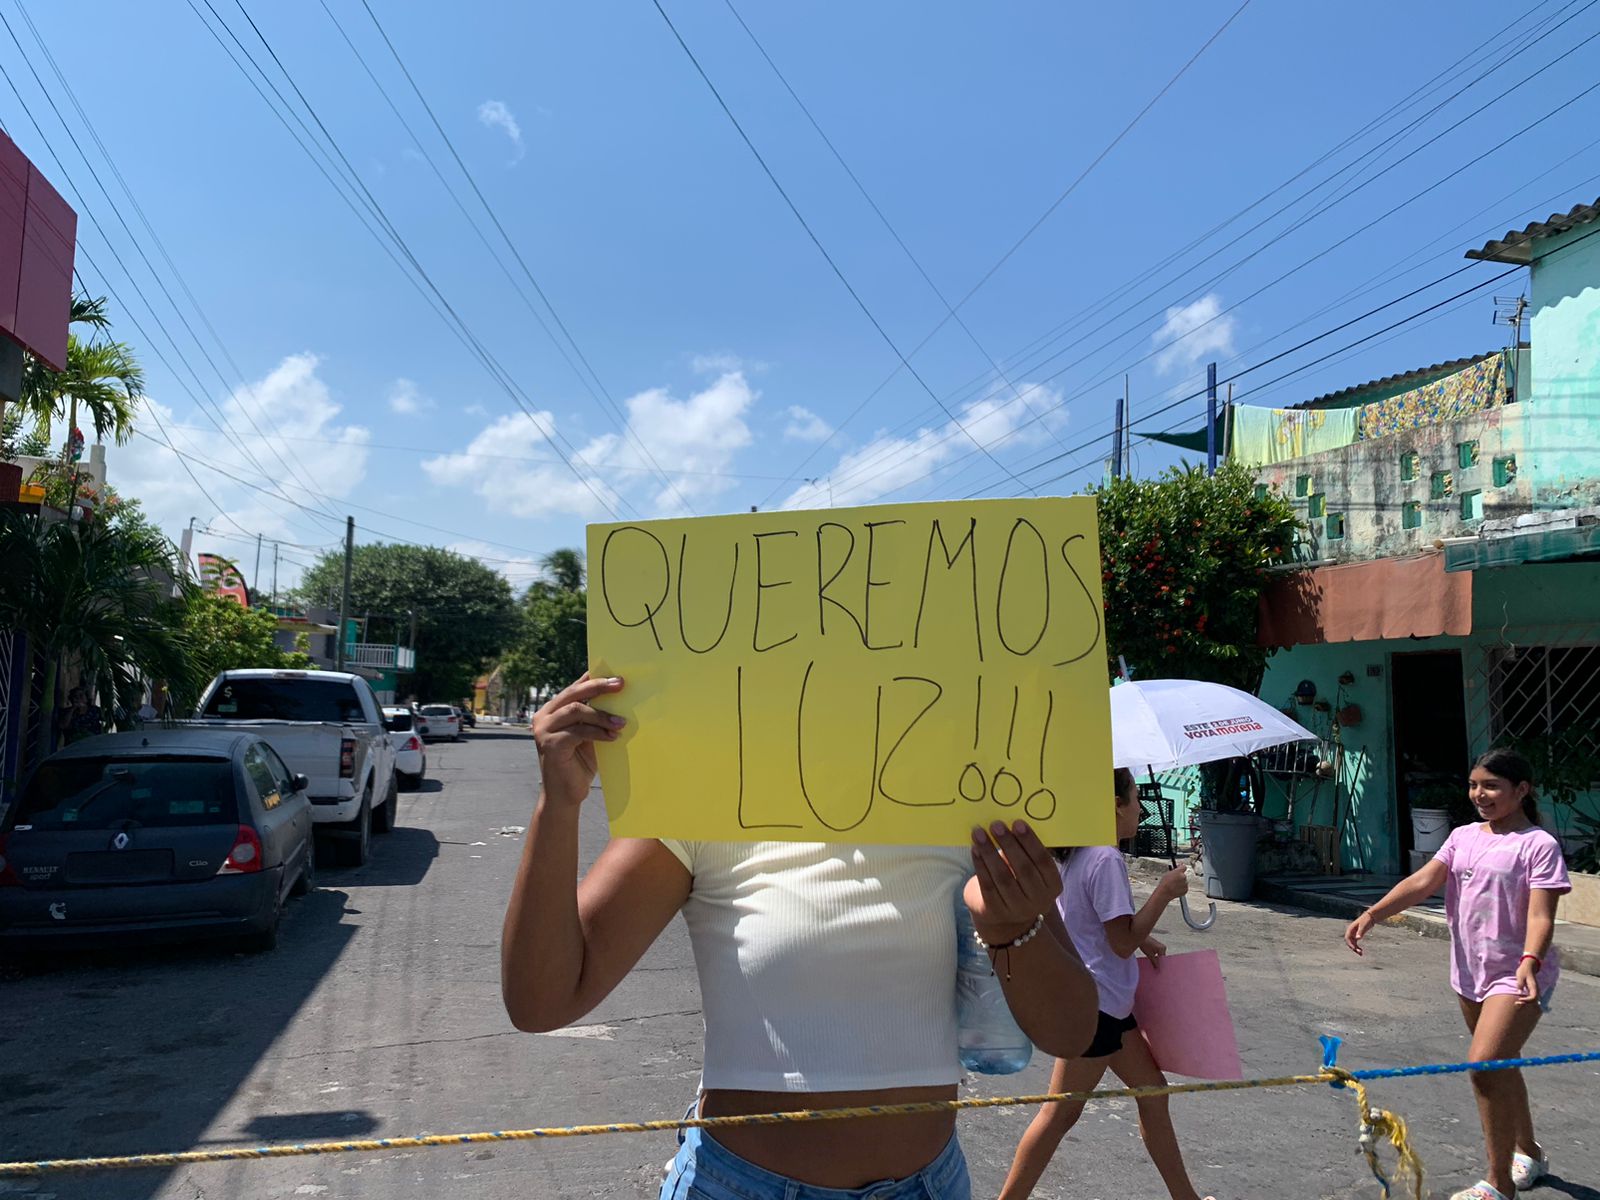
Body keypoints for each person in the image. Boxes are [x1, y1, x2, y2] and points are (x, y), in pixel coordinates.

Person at [502, 674, 1102, 1200]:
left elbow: (1072, 1032)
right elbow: (542, 1001)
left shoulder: (970, 806)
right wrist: (558, 804)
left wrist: (1011, 927)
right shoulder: (702, 800)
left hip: (931, 1185)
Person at [1344, 749, 1570, 1200]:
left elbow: (1542, 915)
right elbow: (1423, 882)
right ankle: (1529, 1152)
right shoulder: (1463, 836)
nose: (1479, 795)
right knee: (1502, 1064)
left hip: (1518, 973)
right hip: (1470, 970)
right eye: (1473, 785)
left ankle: (1498, 1183)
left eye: (1491, 786)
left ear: (1521, 790)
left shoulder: (1537, 845)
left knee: (1484, 1066)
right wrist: (1373, 913)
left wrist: (1530, 960)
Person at [998, 768, 1215, 1200]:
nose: (1141, 808)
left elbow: (1091, 923)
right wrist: (1164, 892)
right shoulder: (1105, 858)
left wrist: (1143, 938)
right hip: (1094, 1009)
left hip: (1104, 1004)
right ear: (1115, 805)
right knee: (1059, 1114)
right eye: (1135, 797)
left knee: (1152, 1092)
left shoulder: (1079, 852)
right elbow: (1121, 941)